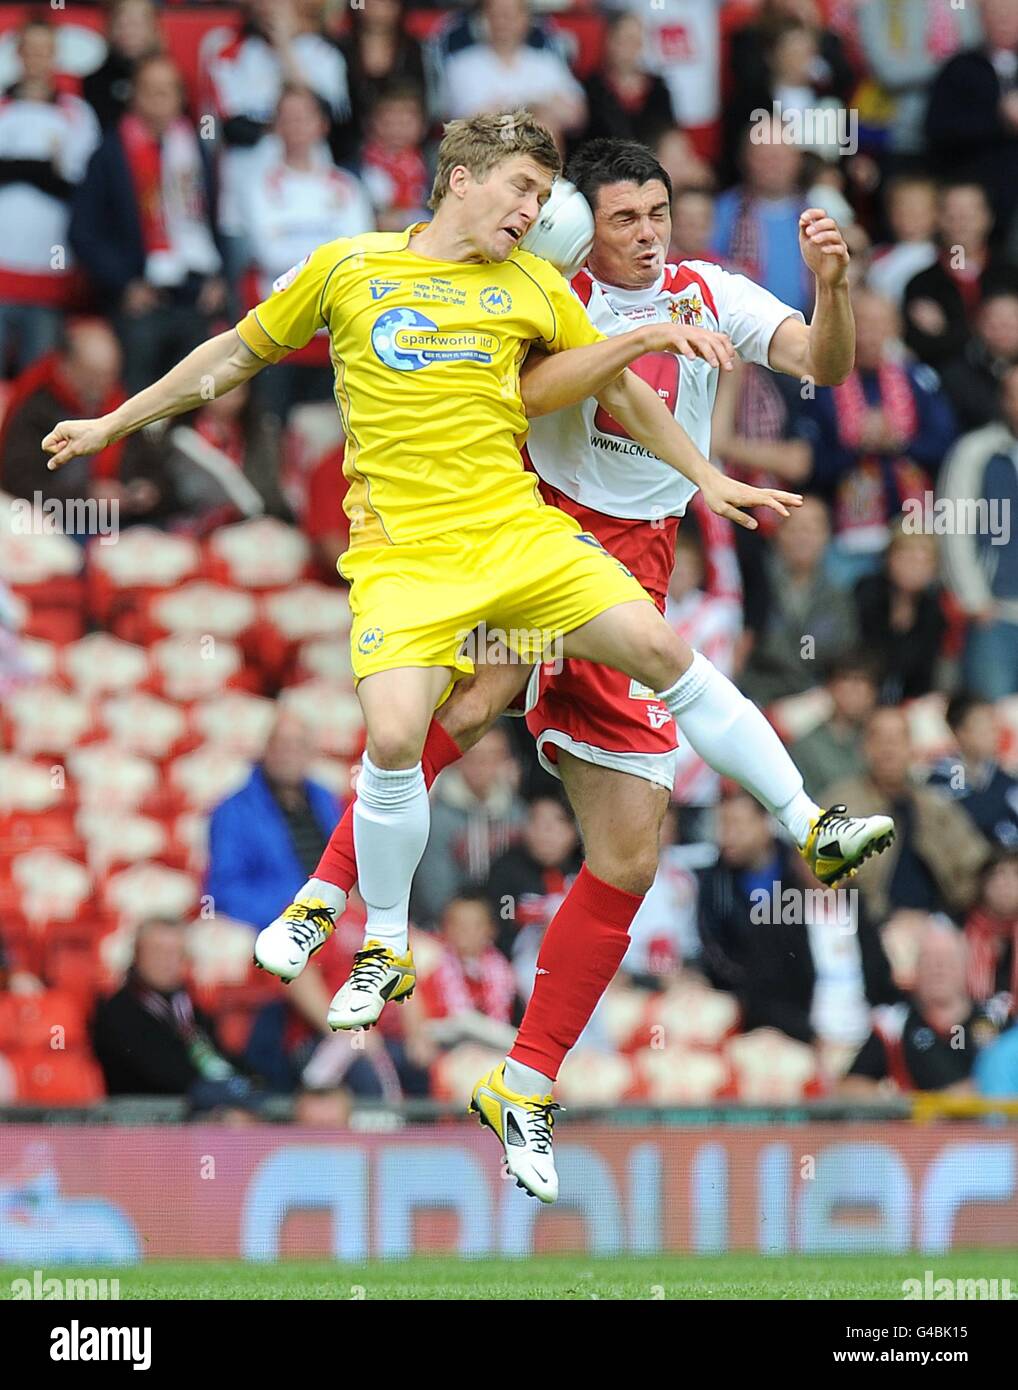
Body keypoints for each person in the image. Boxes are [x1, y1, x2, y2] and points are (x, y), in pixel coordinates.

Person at [43, 116, 890, 1204]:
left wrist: (826, 288)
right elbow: (530, 392)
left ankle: (522, 1077)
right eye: (613, 215)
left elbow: (821, 364)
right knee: (467, 696)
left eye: (656, 214)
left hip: (636, 557)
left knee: (629, 853)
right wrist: (122, 419)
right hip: (532, 524)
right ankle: (333, 896)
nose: (637, 232)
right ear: (578, 223)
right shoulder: (537, 286)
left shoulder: (705, 292)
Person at [70, 55, 226, 394]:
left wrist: (217, 279)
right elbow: (83, 231)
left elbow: (213, 220)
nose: (159, 100)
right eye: (150, 91)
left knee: (194, 398)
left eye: (167, 91)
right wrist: (123, 284)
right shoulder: (110, 153)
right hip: (140, 302)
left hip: (194, 298)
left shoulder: (196, 149)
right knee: (138, 401)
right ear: (134, 96)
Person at [697, 791, 899, 1048]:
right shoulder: (778, 915)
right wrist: (811, 1037)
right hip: (807, 1041)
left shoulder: (860, 910)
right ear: (797, 861)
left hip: (867, 1041)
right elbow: (763, 999)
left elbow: (882, 985)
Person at [0, 317, 172, 529]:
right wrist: (88, 497)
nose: (104, 385)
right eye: (94, 376)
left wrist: (149, 490)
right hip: (49, 524)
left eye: (110, 376)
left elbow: (157, 469)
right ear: (66, 367)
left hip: (121, 524)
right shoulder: (34, 409)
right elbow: (20, 486)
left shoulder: (121, 407)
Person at [824, 706, 992, 924]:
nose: (888, 748)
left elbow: (975, 862)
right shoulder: (841, 804)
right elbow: (826, 878)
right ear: (864, 747)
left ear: (911, 748)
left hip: (940, 922)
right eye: (879, 738)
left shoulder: (933, 804)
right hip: (870, 925)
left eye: (897, 739)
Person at [0, 17, 100, 374]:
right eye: (31, 50)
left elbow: (78, 182)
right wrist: (42, 169)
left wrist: (16, 168)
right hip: (1, 269)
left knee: (36, 381)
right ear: (17, 54)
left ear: (56, 56)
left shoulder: (77, 114)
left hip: (48, 270)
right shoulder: (3, 108)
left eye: (46, 51)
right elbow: (56, 175)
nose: (38, 59)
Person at [839, 918, 1005, 1095]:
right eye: (929, 959)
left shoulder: (997, 1018)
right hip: (918, 1120)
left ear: (966, 965)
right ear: (915, 968)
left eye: (948, 958)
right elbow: (849, 1087)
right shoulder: (893, 1025)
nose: (939, 967)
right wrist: (894, 1097)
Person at [92, 918, 254, 1098]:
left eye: (176, 953)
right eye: (158, 951)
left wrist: (251, 1081)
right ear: (137, 955)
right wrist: (225, 1090)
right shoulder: (118, 1010)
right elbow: (160, 1072)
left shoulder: (189, 1006)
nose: (167, 961)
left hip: (202, 1102)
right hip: (143, 1115)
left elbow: (218, 1055)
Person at [938, 364, 1018, 701]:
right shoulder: (976, 451)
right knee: (991, 718)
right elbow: (954, 526)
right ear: (1004, 400)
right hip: (995, 611)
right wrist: (975, 599)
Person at [739, 495, 860, 707]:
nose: (803, 537)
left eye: (813, 529)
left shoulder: (837, 594)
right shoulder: (753, 584)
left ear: (826, 536)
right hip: (755, 696)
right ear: (779, 533)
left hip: (815, 699)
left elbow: (843, 651)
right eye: (795, 528)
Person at [412, 725, 524, 928]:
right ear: (458, 758)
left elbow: (518, 883)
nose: (481, 765)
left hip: (502, 925)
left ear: (506, 762)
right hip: (444, 927)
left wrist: (503, 925)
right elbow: (434, 889)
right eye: (473, 756)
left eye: (492, 757)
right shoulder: (435, 813)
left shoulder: (517, 813)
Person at [928, 694, 1018, 849]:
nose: (994, 732)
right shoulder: (944, 777)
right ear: (961, 732)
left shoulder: (1006, 780)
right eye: (984, 725)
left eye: (994, 725)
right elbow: (955, 820)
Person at [789, 652, 880, 803]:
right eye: (848, 680)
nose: (856, 691)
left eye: (863, 682)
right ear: (830, 688)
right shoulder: (806, 746)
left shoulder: (879, 741)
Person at [581, 11, 675, 147]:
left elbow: (670, 136)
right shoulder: (591, 89)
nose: (630, 48)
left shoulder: (658, 88)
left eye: (635, 41)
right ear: (609, 41)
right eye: (623, 40)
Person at [82, 0, 162, 131]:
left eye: (136, 24)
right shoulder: (94, 80)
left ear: (153, 29)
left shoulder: (168, 77)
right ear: (110, 29)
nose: (129, 32)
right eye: (121, 24)